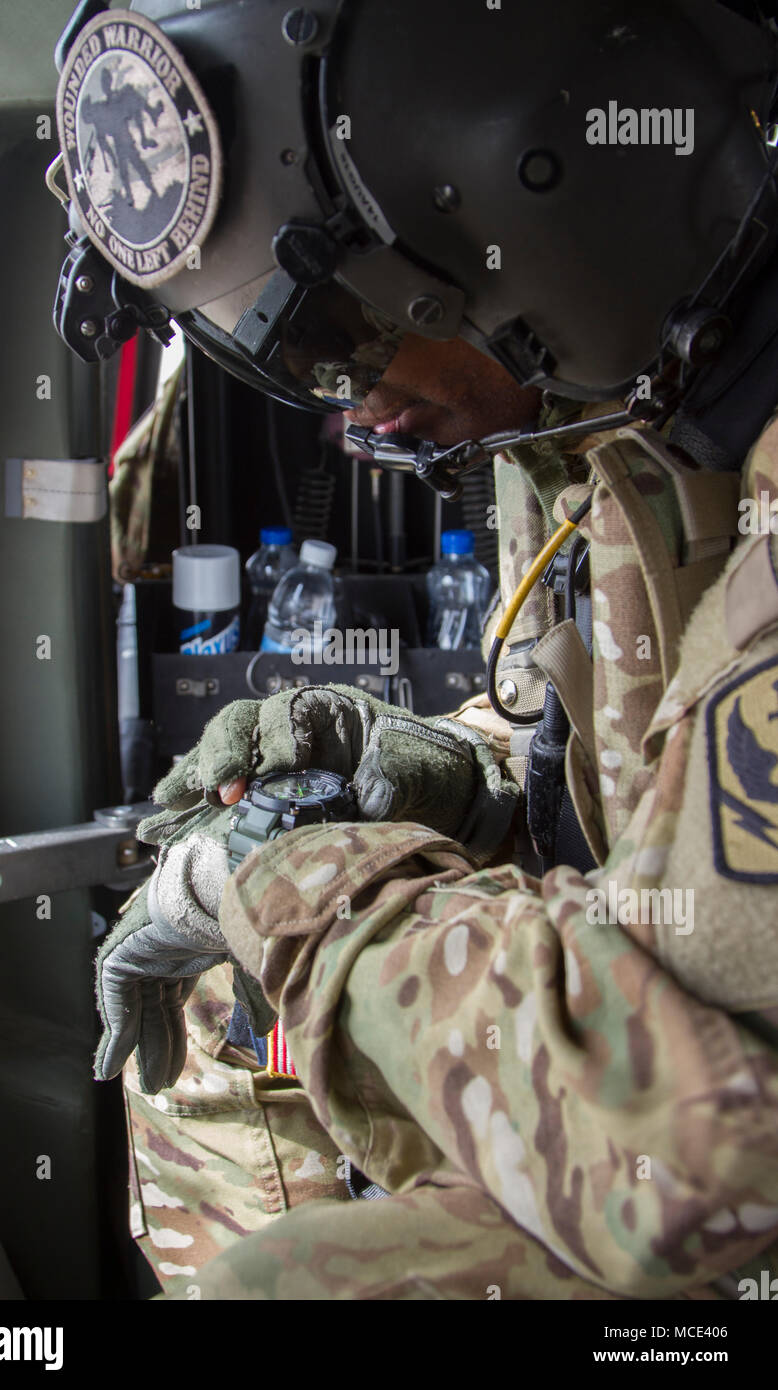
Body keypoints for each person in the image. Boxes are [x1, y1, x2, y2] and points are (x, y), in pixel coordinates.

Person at [51, 0, 778, 1298]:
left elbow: (691, 1153)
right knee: (229, 1027)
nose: (352, 417)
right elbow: (643, 776)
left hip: (698, 1155)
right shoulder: (647, 426)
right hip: (676, 1096)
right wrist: (449, 776)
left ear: (540, 202)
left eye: (348, 342)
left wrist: (276, 888)